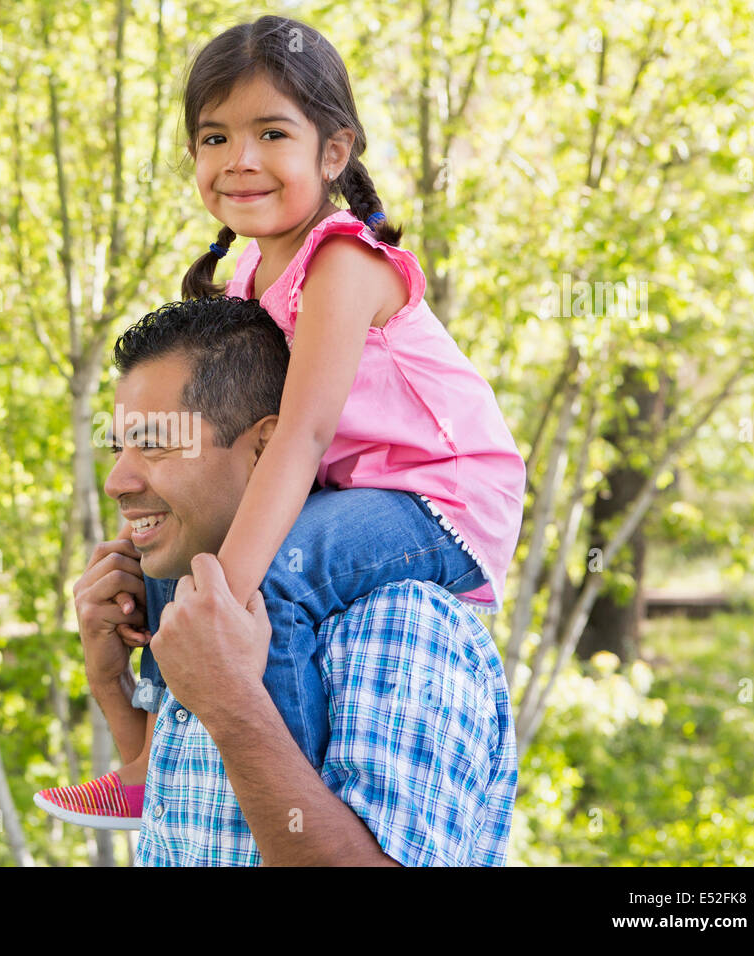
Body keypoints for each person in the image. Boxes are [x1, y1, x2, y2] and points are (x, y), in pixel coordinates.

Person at [35, 14, 525, 827]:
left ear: (334, 153)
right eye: (215, 137)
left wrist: (224, 588)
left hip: (440, 501)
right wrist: (188, 569)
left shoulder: (341, 262)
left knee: (278, 569)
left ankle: (287, 804)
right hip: (356, 493)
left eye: (272, 132)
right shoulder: (246, 284)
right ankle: (149, 759)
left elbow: (298, 436)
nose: (241, 160)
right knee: (171, 555)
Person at [65, 297, 518, 864]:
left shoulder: (400, 623)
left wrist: (234, 706)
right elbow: (187, 810)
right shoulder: (209, 617)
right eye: (117, 447)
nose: (117, 481)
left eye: (154, 444)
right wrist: (111, 682)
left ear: (263, 447)